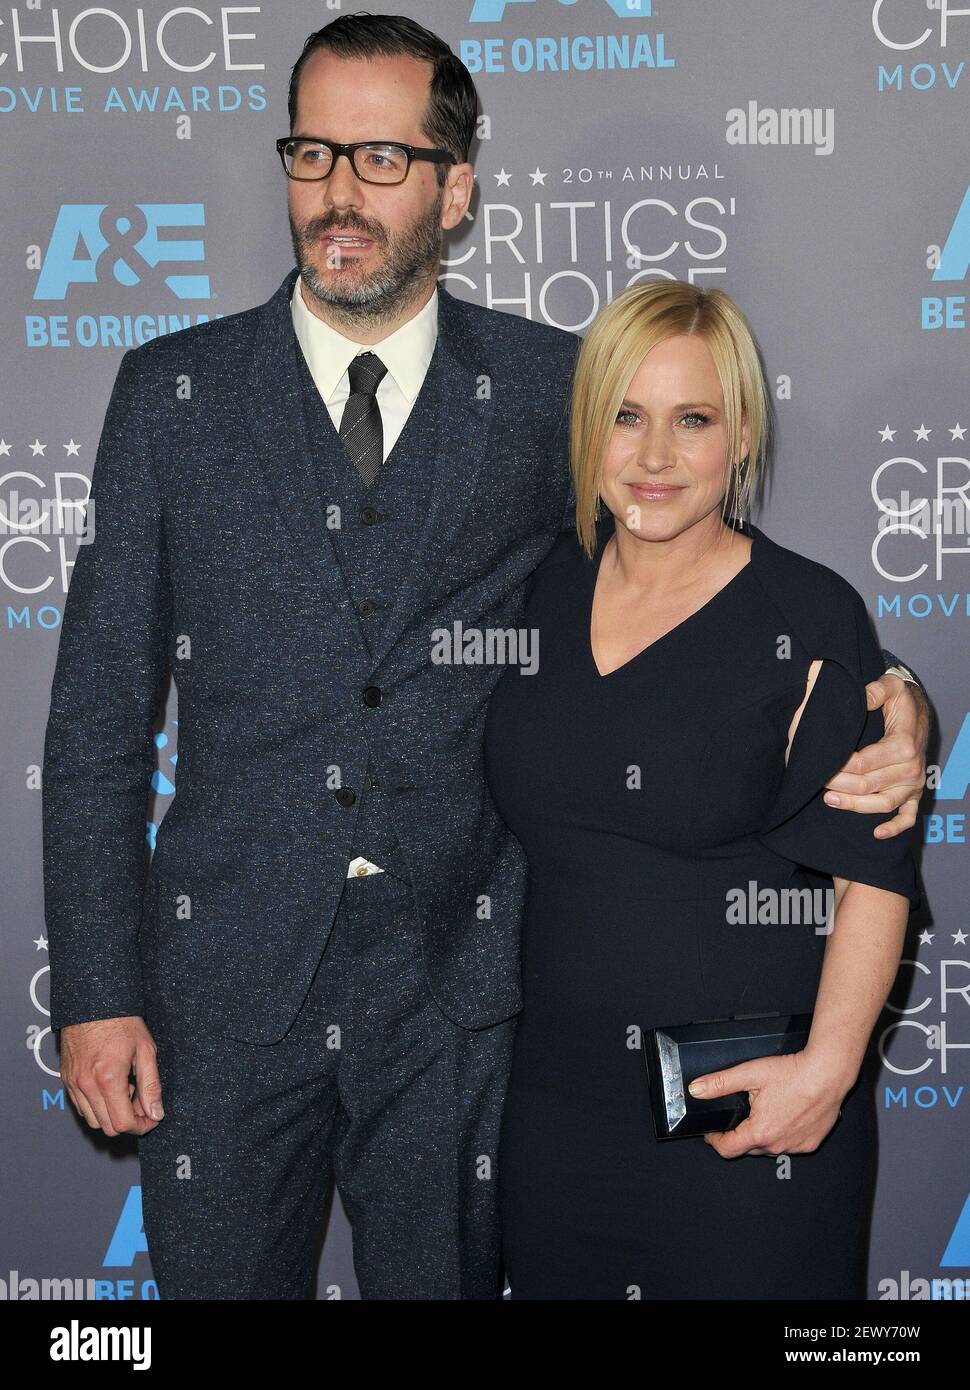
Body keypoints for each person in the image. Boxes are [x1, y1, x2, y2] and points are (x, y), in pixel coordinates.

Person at [42, 15, 928, 1301]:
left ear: (456, 189)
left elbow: (725, 592)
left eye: (385, 158)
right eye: (312, 151)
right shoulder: (171, 395)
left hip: (459, 1012)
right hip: (222, 1003)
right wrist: (95, 989)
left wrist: (901, 698)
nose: (340, 192)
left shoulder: (550, 390)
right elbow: (97, 724)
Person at [483, 279, 925, 1301]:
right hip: (554, 1124)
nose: (652, 457)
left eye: (692, 421)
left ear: (739, 436)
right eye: (625, 417)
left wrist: (827, 1072)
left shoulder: (807, 615)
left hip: (748, 1122)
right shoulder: (533, 589)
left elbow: (874, 868)